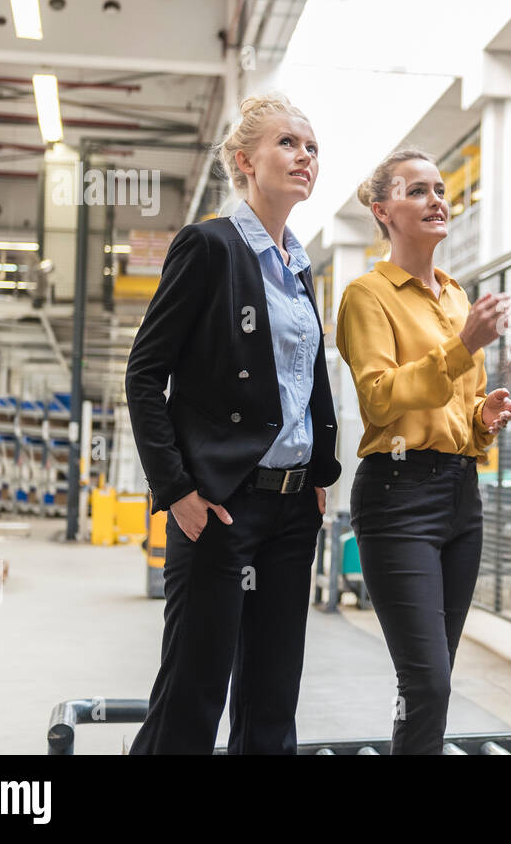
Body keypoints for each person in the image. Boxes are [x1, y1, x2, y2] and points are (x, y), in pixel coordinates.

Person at [124, 94, 341, 754]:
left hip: (293, 508)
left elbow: (304, 383)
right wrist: (178, 490)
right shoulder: (209, 247)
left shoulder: (300, 267)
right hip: (221, 504)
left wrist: (317, 468)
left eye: (311, 146)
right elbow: (143, 374)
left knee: (273, 699)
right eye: (288, 143)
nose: (305, 155)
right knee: (193, 694)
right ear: (245, 161)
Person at [335, 149, 511, 755]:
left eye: (440, 190)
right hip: (399, 496)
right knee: (429, 679)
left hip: (460, 496)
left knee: (432, 676)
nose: (436, 200)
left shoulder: (455, 294)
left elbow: (453, 412)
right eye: (417, 191)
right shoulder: (367, 295)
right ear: (382, 209)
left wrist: (483, 419)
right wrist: (464, 346)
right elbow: (381, 398)